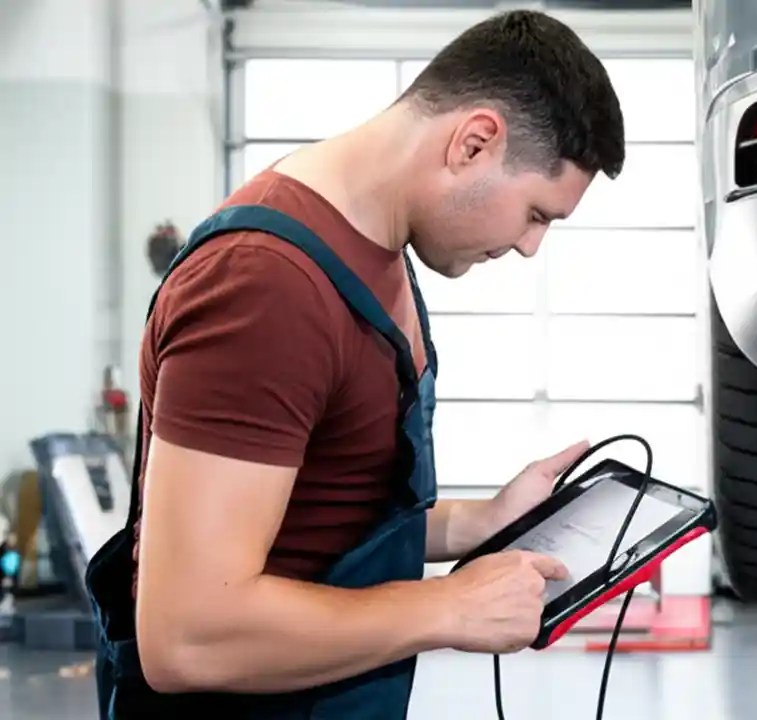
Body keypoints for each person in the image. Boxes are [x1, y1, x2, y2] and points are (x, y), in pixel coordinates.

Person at [84, 10, 625, 719]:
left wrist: (479, 523)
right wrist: (449, 607)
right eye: (536, 213)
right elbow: (188, 635)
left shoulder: (378, 245)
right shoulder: (266, 285)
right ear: (474, 141)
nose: (531, 246)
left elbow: (316, 516)